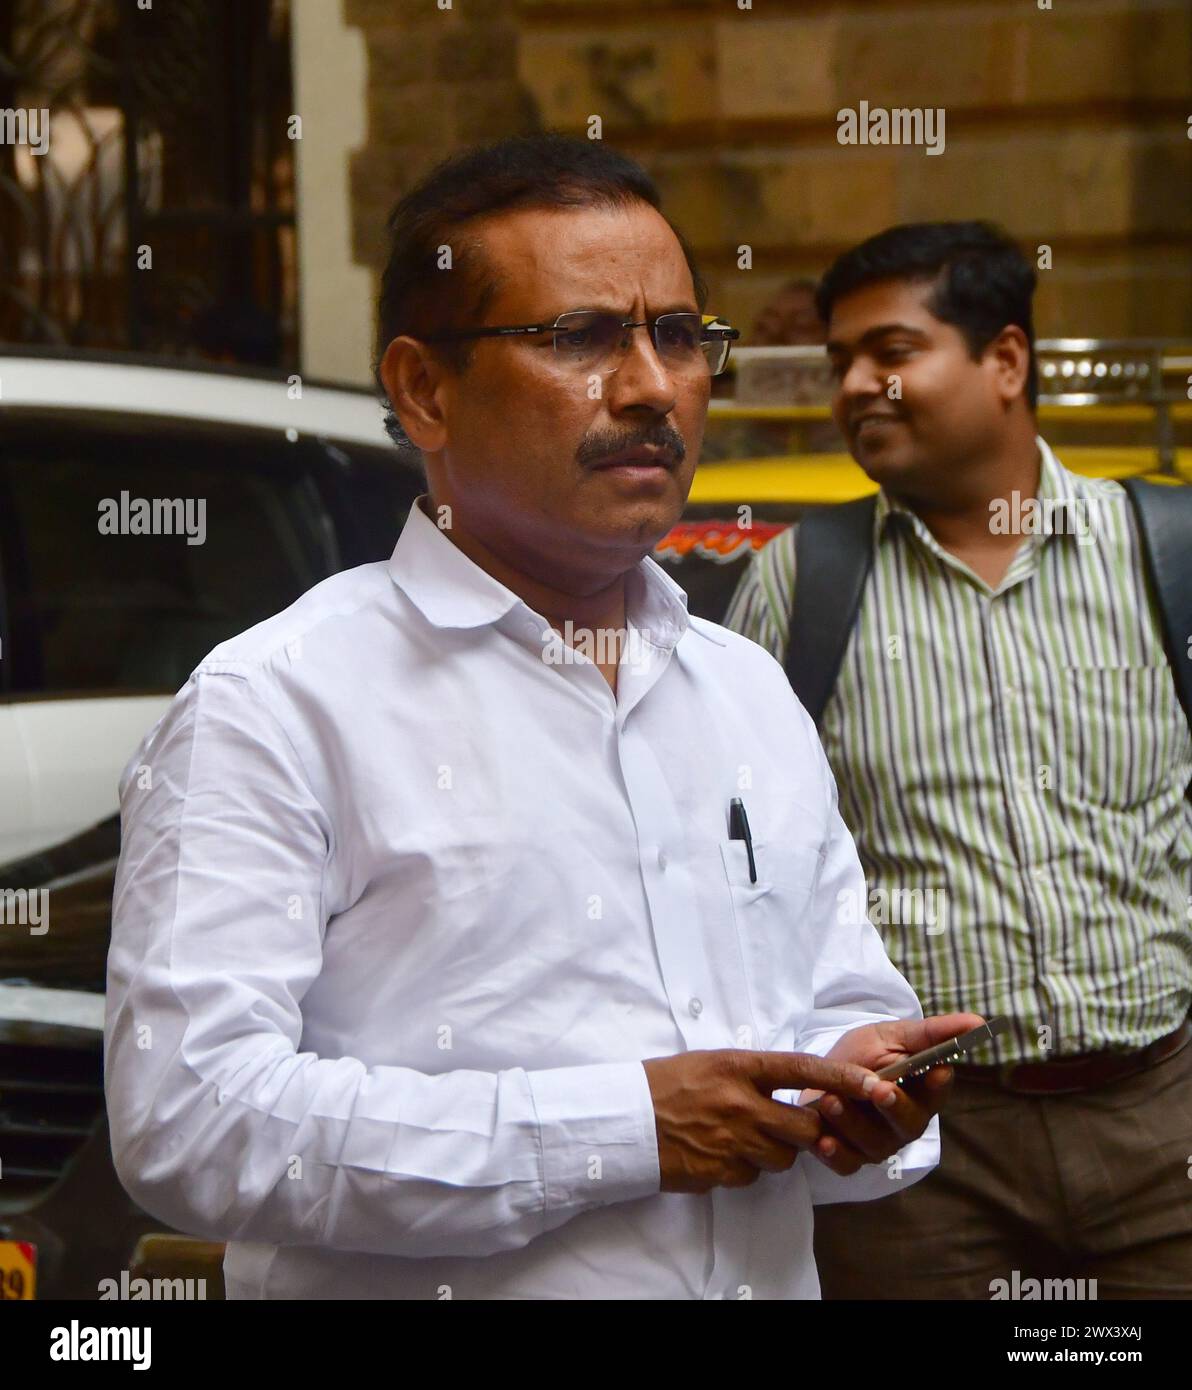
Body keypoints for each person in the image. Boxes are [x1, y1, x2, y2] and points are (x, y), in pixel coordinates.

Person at [104, 135, 978, 1301]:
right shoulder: (278, 704)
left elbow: (840, 1002)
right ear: (423, 389)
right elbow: (190, 1117)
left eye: (677, 335)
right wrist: (620, 1129)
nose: (650, 386)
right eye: (578, 338)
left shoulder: (741, 687)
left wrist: (855, 1099)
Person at [724, 221, 1192, 1299]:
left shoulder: (1159, 555)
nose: (854, 386)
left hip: (1159, 1131)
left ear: (1007, 361)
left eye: (889, 351)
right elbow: (737, 865)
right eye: (841, 361)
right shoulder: (801, 584)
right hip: (919, 1155)